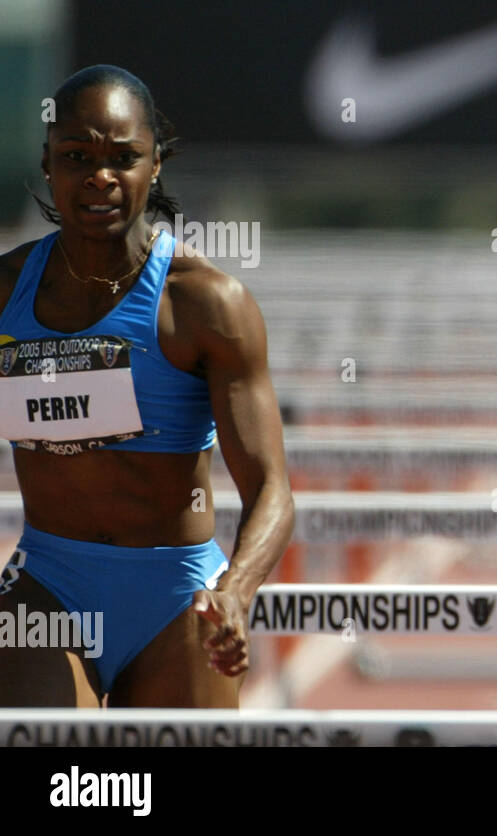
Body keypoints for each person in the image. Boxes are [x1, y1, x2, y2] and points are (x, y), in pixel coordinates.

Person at [0, 65, 294, 708]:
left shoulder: (207, 304)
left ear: (155, 165)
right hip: (49, 580)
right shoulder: (5, 293)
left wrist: (236, 592)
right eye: (77, 155)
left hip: (178, 594)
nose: (99, 176)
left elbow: (271, 487)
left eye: (123, 157)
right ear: (48, 164)